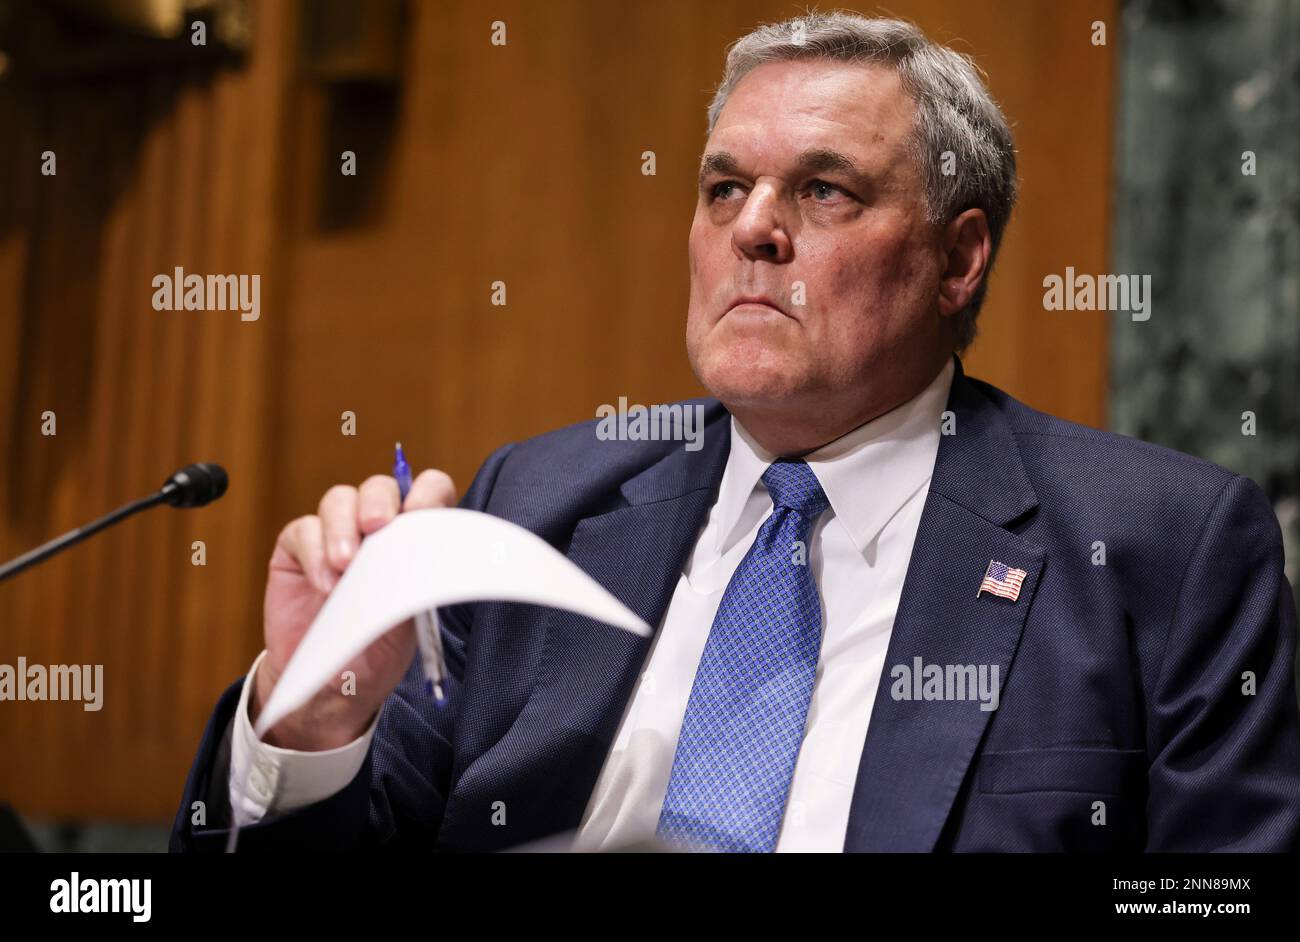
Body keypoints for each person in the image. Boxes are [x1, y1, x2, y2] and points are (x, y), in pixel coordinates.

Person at [171, 12, 1300, 853]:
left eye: (824, 192)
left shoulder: (1159, 545)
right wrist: (316, 722)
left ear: (958, 260)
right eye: (722, 189)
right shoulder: (538, 508)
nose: (753, 228)